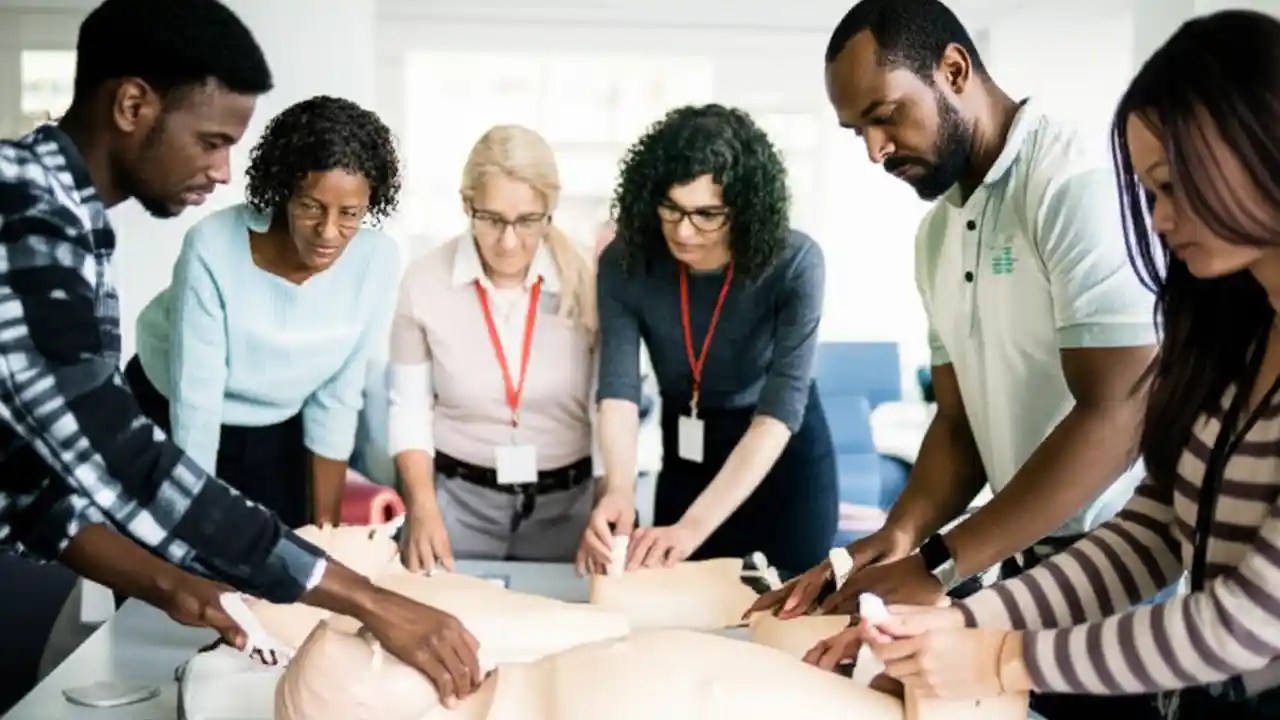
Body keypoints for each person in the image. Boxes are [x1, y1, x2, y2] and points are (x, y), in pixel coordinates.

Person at [0, 0, 479, 703]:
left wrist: (174, 584)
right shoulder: (23, 213)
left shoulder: (78, 222)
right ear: (134, 104)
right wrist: (371, 601)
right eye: (211, 140)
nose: (225, 172)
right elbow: (113, 453)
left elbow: (33, 489)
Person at [812, 10, 1280, 720]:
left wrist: (997, 648)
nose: (1154, 222)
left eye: (1172, 186)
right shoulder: (1231, 337)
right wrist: (960, 615)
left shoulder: (1065, 184)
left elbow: (1246, 621)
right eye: (1149, 192)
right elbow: (1155, 527)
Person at [750, 0, 1156, 623]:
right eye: (857, 131)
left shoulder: (1074, 184)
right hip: (1024, 563)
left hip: (1125, 567)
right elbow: (960, 422)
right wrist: (900, 533)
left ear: (955, 70)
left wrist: (940, 560)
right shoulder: (936, 236)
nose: (875, 151)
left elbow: (1119, 410)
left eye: (884, 117)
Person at [578, 103, 837, 580]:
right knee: (687, 619)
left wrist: (693, 527)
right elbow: (618, 391)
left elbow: (780, 412)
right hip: (690, 452)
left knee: (790, 615)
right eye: (671, 208)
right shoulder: (626, 261)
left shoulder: (795, 263)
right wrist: (619, 490)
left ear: (745, 208)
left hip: (780, 456)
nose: (682, 229)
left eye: (707, 214)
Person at [125, 95, 402, 529]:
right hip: (166, 411)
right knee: (168, 562)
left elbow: (337, 398)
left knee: (283, 568)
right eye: (311, 206)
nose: (329, 232)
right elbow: (194, 405)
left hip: (276, 429)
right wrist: (194, 530)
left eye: (349, 214)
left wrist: (326, 536)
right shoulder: (212, 247)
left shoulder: (378, 261)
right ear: (283, 190)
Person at [389, 125, 597, 571]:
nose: (508, 241)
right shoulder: (424, 281)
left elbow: (613, 409)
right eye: (491, 218)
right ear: (467, 204)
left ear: (550, 210)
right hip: (457, 504)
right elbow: (408, 408)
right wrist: (422, 508)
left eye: (526, 221)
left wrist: (611, 501)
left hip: (568, 507)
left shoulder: (590, 284)